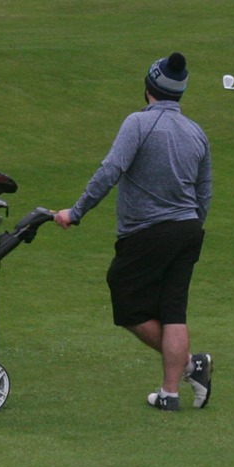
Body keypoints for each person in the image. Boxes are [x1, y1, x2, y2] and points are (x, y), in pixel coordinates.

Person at [54, 53, 215, 411]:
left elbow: (110, 171)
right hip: (188, 230)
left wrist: (75, 213)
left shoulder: (138, 124)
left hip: (148, 231)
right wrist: (190, 226)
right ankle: (171, 392)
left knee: (126, 302)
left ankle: (188, 365)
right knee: (173, 310)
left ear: (148, 89)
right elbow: (204, 193)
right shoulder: (196, 132)